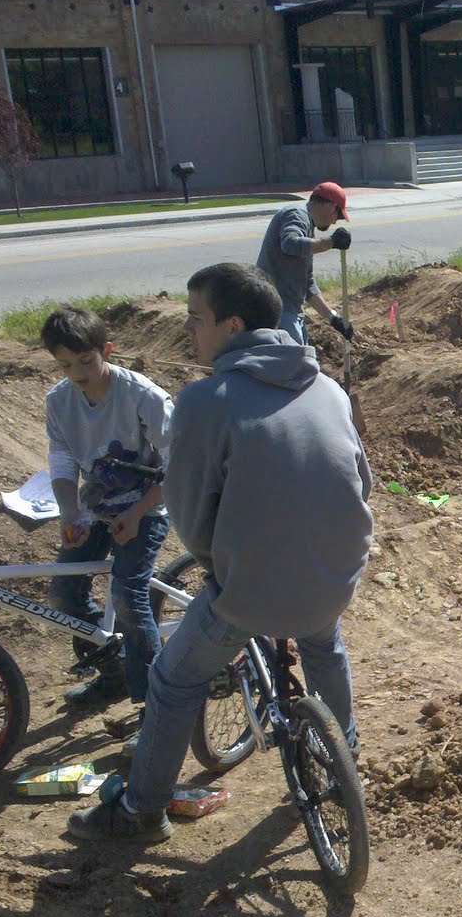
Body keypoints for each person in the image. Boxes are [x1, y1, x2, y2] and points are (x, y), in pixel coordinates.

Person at [68, 262, 372, 844]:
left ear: (232, 326)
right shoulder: (328, 388)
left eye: (195, 320)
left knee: (172, 679)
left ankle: (140, 813)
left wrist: (219, 566)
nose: (189, 332)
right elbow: (363, 481)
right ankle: (343, 753)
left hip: (251, 589)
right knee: (321, 638)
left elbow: (187, 516)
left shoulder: (208, 400)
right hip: (338, 572)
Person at [40, 306, 172, 739]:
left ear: (107, 351)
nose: (76, 373)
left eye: (86, 361)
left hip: (148, 504)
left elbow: (180, 465)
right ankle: (111, 668)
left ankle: (154, 707)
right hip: (94, 507)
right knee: (63, 594)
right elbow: (61, 458)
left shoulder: (143, 396)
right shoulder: (59, 401)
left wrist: (136, 514)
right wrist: (69, 511)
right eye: (64, 364)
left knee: (129, 595)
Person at [255, 180, 355, 345]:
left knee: (303, 363)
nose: (335, 222)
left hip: (292, 310)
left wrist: (333, 318)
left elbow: (307, 283)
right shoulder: (297, 214)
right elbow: (289, 243)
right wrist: (330, 242)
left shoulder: (307, 226)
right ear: (331, 205)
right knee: (295, 366)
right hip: (277, 309)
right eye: (338, 215)